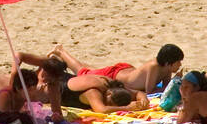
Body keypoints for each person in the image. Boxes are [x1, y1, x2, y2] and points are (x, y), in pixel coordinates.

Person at [53, 44, 185, 108]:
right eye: (178, 62)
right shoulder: (154, 66)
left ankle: (61, 58)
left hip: (126, 71)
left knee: (90, 70)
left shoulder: (167, 68)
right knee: (82, 71)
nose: (179, 64)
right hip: (116, 75)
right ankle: (61, 51)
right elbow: (150, 91)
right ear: (169, 62)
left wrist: (175, 81)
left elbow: (166, 88)